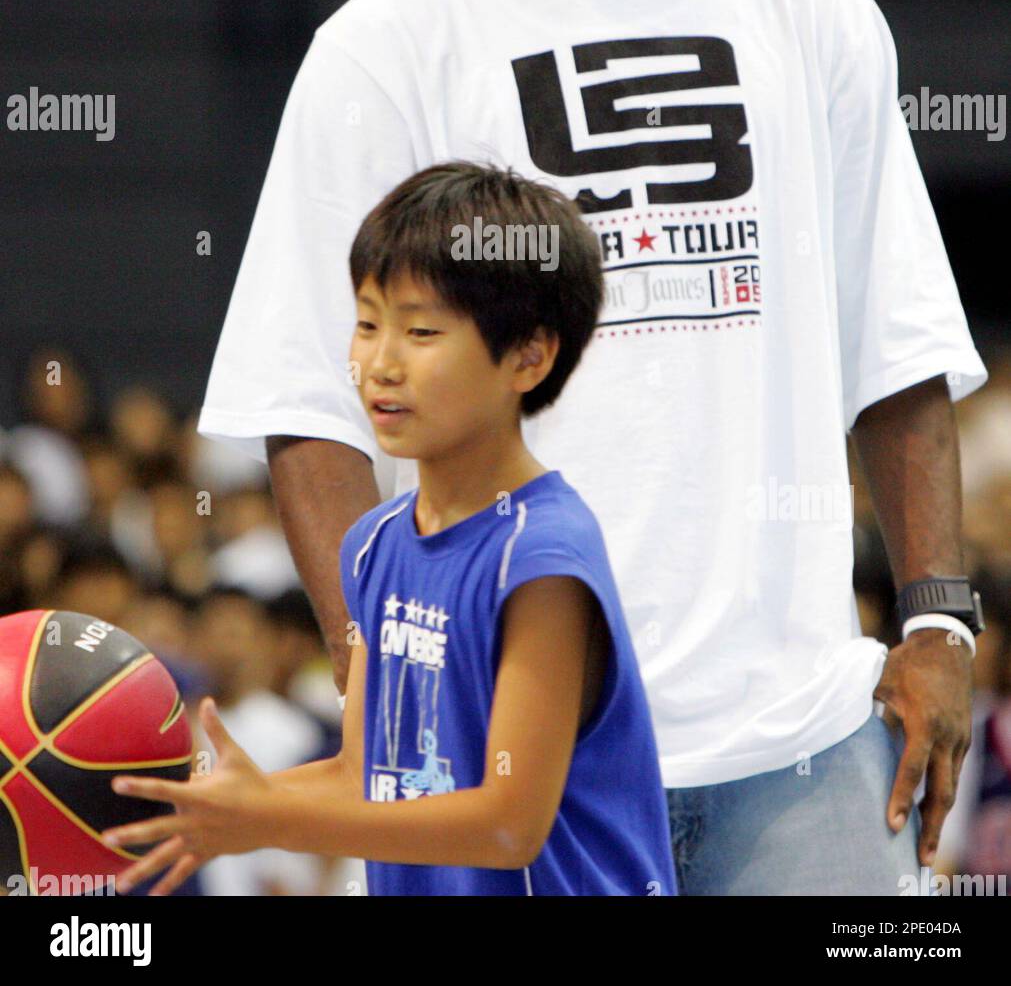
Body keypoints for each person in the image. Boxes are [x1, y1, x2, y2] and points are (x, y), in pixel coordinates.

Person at [195, 0, 988, 894]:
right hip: (522, 761)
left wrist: (940, 617)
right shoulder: (386, 43)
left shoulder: (807, 3)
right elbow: (307, 408)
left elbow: (896, 349)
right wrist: (390, 678)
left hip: (803, 746)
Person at [104, 164, 677, 896]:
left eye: (421, 331)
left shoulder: (541, 555)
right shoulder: (372, 545)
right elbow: (365, 774)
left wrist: (270, 821)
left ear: (528, 356)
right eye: (368, 323)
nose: (380, 363)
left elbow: (509, 824)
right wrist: (226, 803)